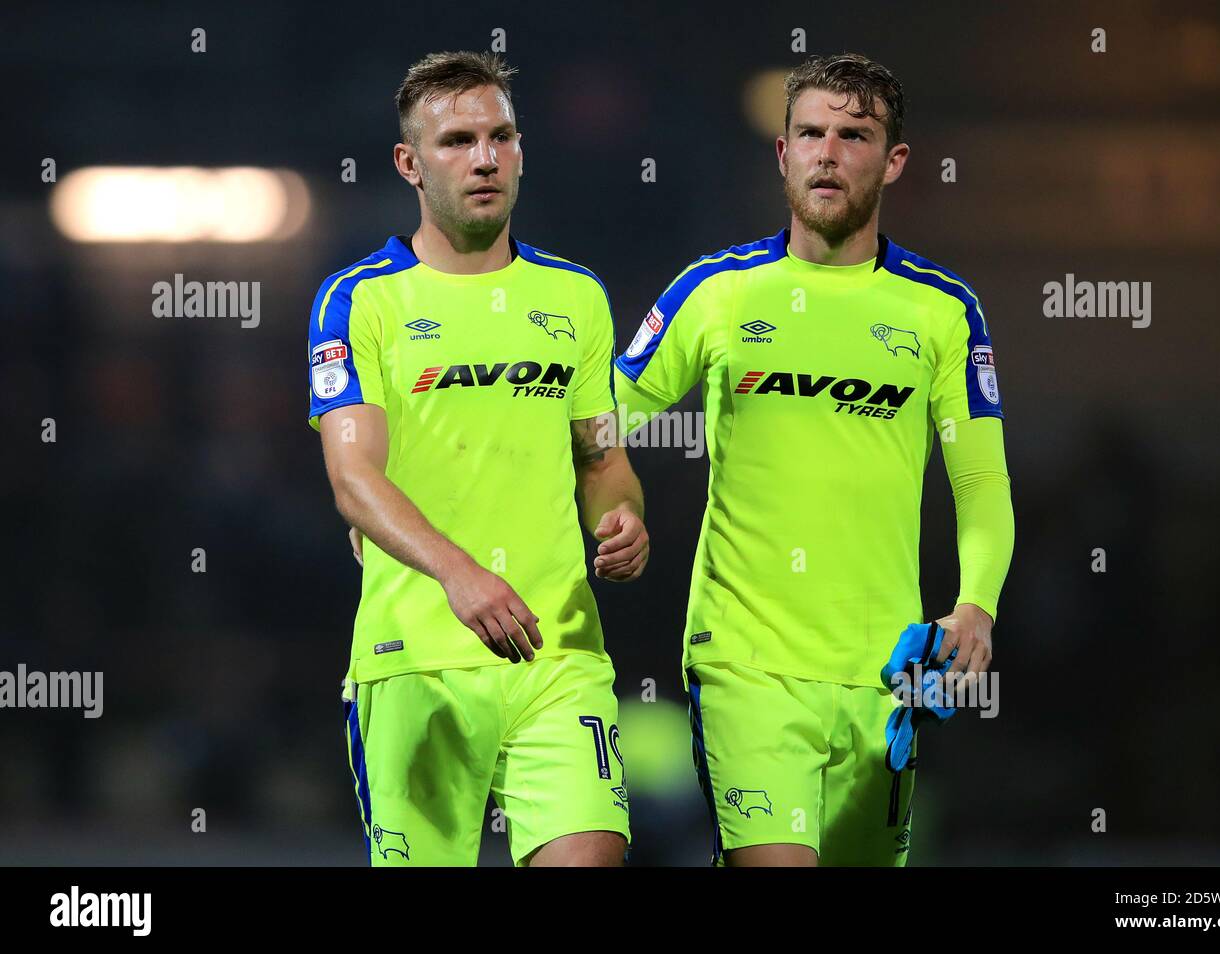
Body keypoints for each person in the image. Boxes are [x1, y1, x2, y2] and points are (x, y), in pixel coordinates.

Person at [613, 53, 1013, 865]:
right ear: (783, 152)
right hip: (745, 664)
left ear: (893, 160)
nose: (828, 152)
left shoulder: (942, 309)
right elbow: (596, 425)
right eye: (810, 133)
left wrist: (977, 605)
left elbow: (980, 482)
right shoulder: (715, 292)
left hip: (887, 678)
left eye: (854, 135)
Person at [308, 51, 648, 866]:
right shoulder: (359, 300)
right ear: (409, 163)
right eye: (457, 140)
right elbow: (354, 479)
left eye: (501, 137)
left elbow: (600, 458)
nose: (485, 158)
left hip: (558, 654)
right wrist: (460, 573)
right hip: (413, 662)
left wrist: (624, 517)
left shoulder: (575, 297)